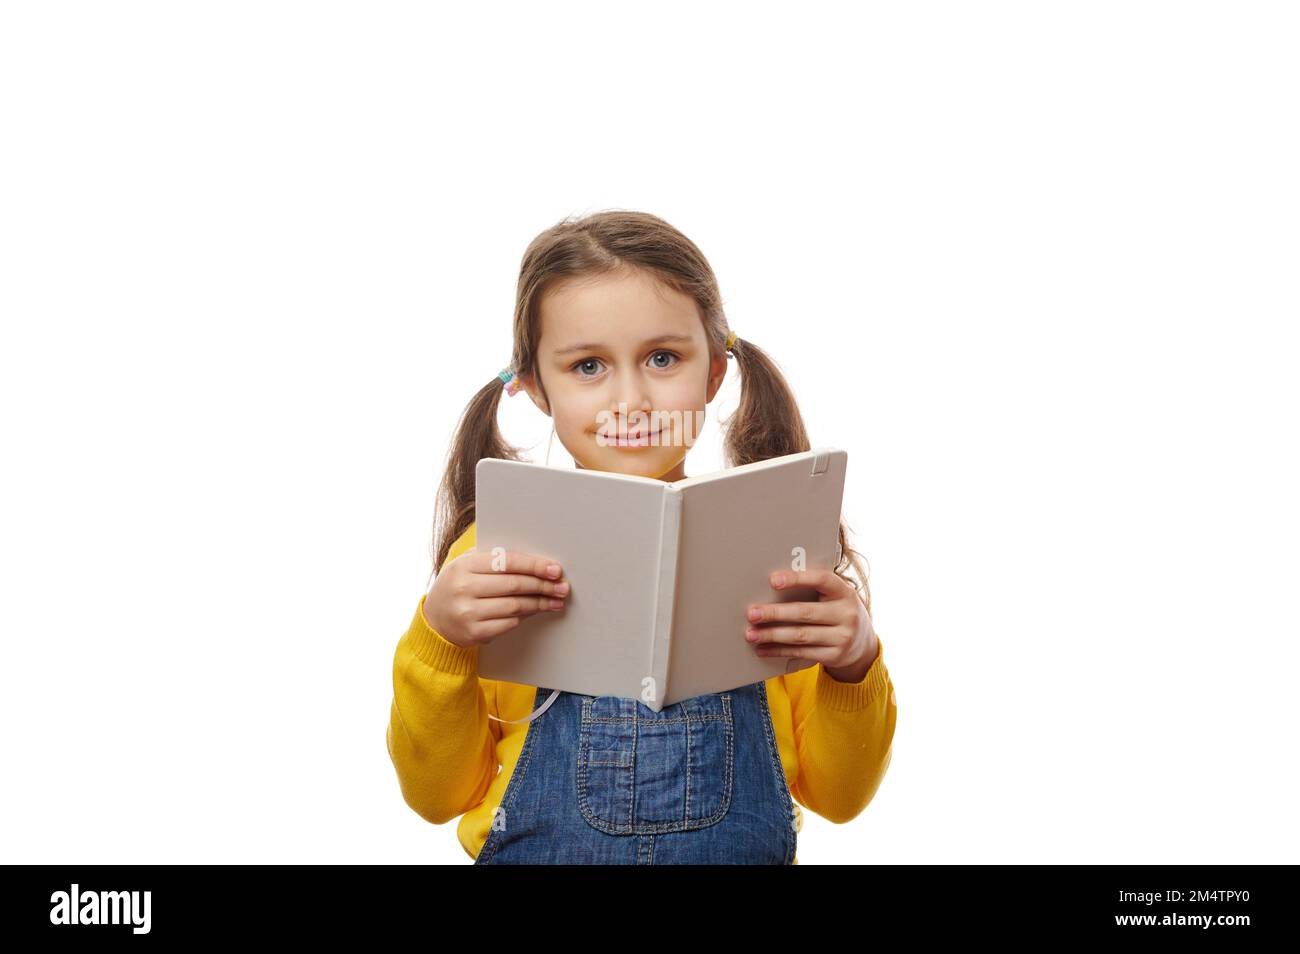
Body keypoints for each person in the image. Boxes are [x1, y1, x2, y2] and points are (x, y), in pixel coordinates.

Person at [386, 210, 897, 863]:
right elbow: (435, 795)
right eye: (588, 366)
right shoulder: (493, 555)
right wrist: (442, 638)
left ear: (713, 372)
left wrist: (854, 664)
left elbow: (841, 795)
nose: (630, 400)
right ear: (537, 387)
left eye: (662, 358)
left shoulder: (776, 542)